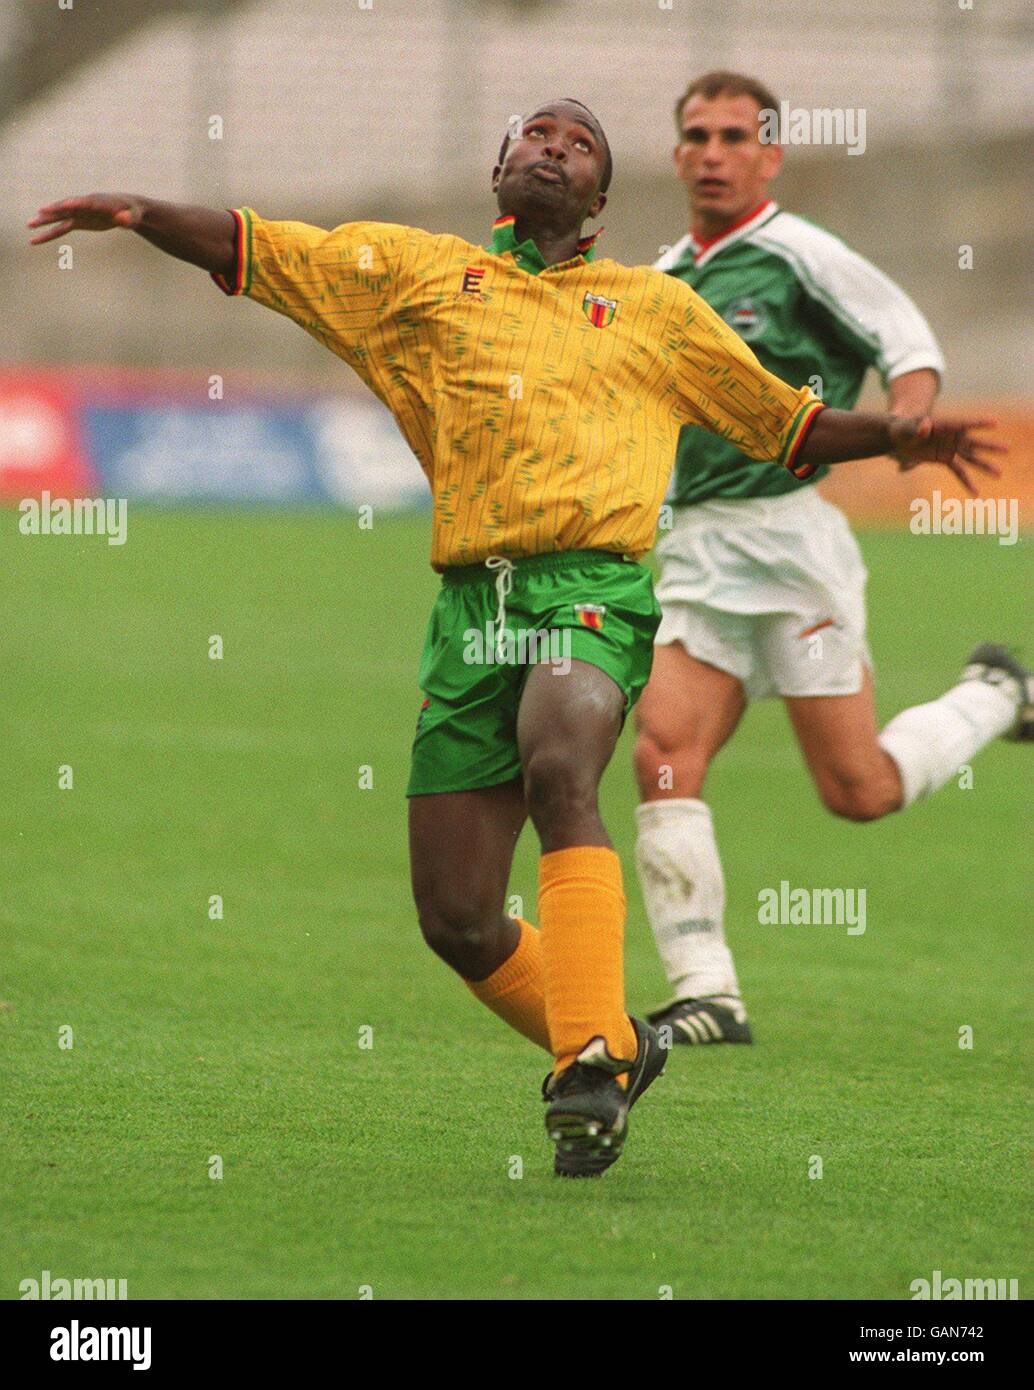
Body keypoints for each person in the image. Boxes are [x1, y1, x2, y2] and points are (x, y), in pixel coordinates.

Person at [30, 98, 1004, 1175]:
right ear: (498, 167)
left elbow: (788, 424)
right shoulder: (412, 275)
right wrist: (135, 210)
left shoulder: (654, 309)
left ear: (598, 198)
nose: (552, 146)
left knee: (563, 761)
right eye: (533, 134)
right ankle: (621, 1039)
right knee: (454, 916)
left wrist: (897, 434)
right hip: (469, 611)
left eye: (578, 141)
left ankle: (584, 1065)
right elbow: (259, 247)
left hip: (590, 586)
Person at [633, 73, 1030, 1045]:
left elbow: (904, 338)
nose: (713, 151)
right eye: (697, 135)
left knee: (856, 791)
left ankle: (993, 693)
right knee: (660, 758)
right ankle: (707, 990)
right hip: (694, 553)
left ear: (769, 155)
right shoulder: (663, 274)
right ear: (677, 153)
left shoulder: (798, 255)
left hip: (788, 550)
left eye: (734, 136)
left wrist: (906, 419)